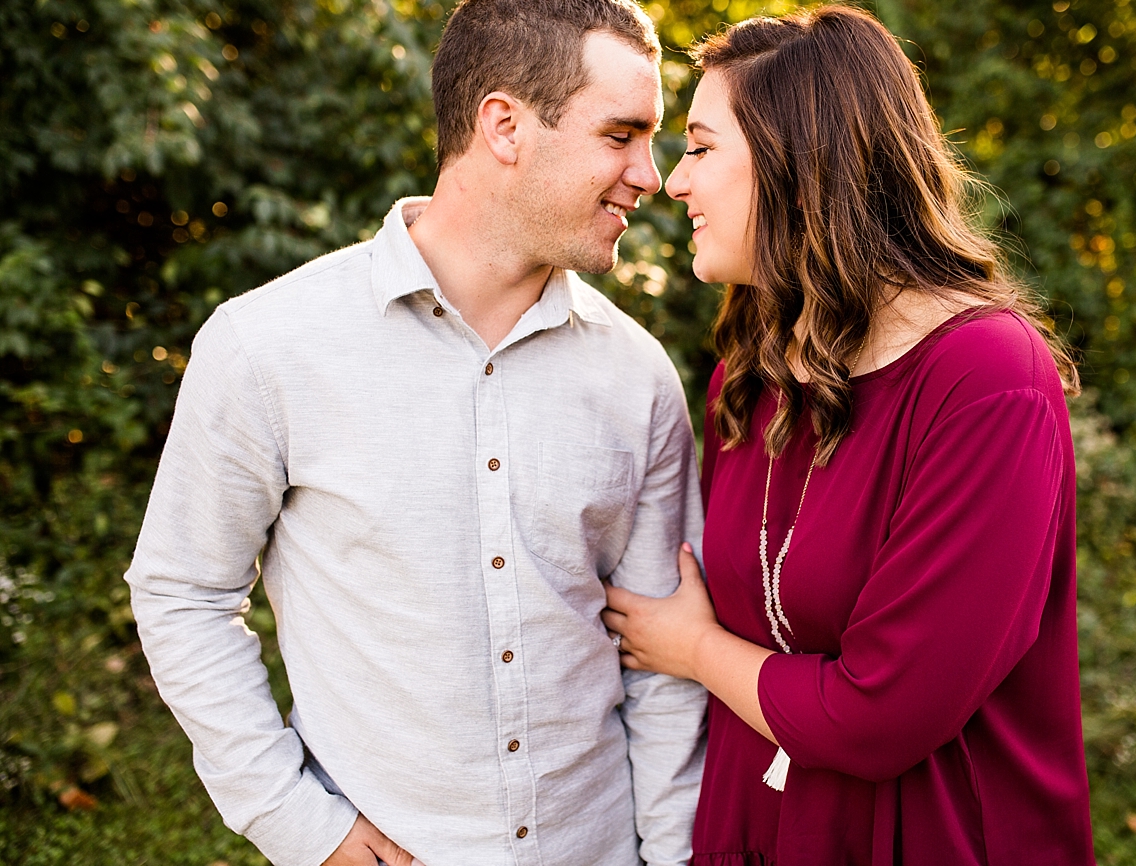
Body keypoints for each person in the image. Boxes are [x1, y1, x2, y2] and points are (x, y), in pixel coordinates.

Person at [125, 1, 707, 864]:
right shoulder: (267, 345)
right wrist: (298, 824)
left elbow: (658, 659)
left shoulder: (638, 376)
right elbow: (182, 592)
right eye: (621, 134)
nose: (649, 175)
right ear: (504, 126)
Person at [602, 7, 1096, 865]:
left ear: (802, 165)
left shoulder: (987, 379)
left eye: (702, 148)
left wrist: (692, 649)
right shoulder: (748, 378)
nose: (673, 184)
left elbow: (882, 715)